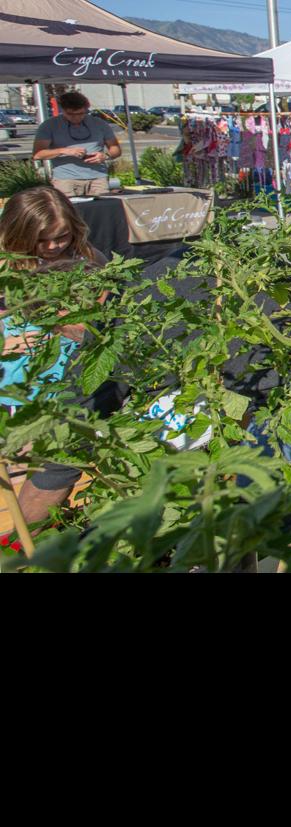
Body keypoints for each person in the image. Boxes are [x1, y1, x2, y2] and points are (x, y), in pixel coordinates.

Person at [0, 186, 117, 529]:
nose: (53, 247)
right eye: (42, 240)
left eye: (61, 237)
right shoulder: (7, 268)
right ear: (18, 234)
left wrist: (76, 324)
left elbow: (104, 311)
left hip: (68, 366)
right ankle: (18, 530)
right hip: (19, 371)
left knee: (54, 449)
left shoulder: (89, 259)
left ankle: (42, 524)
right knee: (20, 449)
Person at [32, 92, 121, 198]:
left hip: (98, 178)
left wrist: (105, 156)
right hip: (66, 180)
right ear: (63, 110)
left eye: (80, 114)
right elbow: (38, 154)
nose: (76, 118)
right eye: (70, 114)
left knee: (100, 210)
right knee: (70, 212)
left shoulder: (99, 124)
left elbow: (116, 149)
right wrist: (64, 151)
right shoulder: (49, 125)